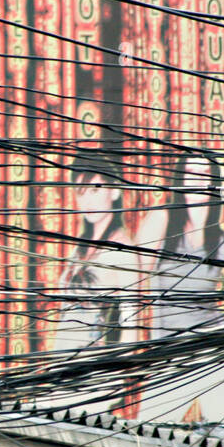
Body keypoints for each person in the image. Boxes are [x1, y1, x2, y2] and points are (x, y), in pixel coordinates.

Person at [135, 154, 224, 430]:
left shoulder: (222, 239)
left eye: (204, 174)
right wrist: (134, 332)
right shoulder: (163, 220)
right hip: (170, 352)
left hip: (214, 353)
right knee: (147, 439)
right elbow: (135, 278)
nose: (196, 180)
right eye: (190, 173)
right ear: (180, 179)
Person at [51, 151, 140, 359]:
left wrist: (115, 373)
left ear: (115, 192)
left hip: (90, 365)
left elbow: (131, 326)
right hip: (60, 361)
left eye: (95, 189)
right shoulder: (81, 247)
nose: (87, 201)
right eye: (81, 192)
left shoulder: (123, 250)